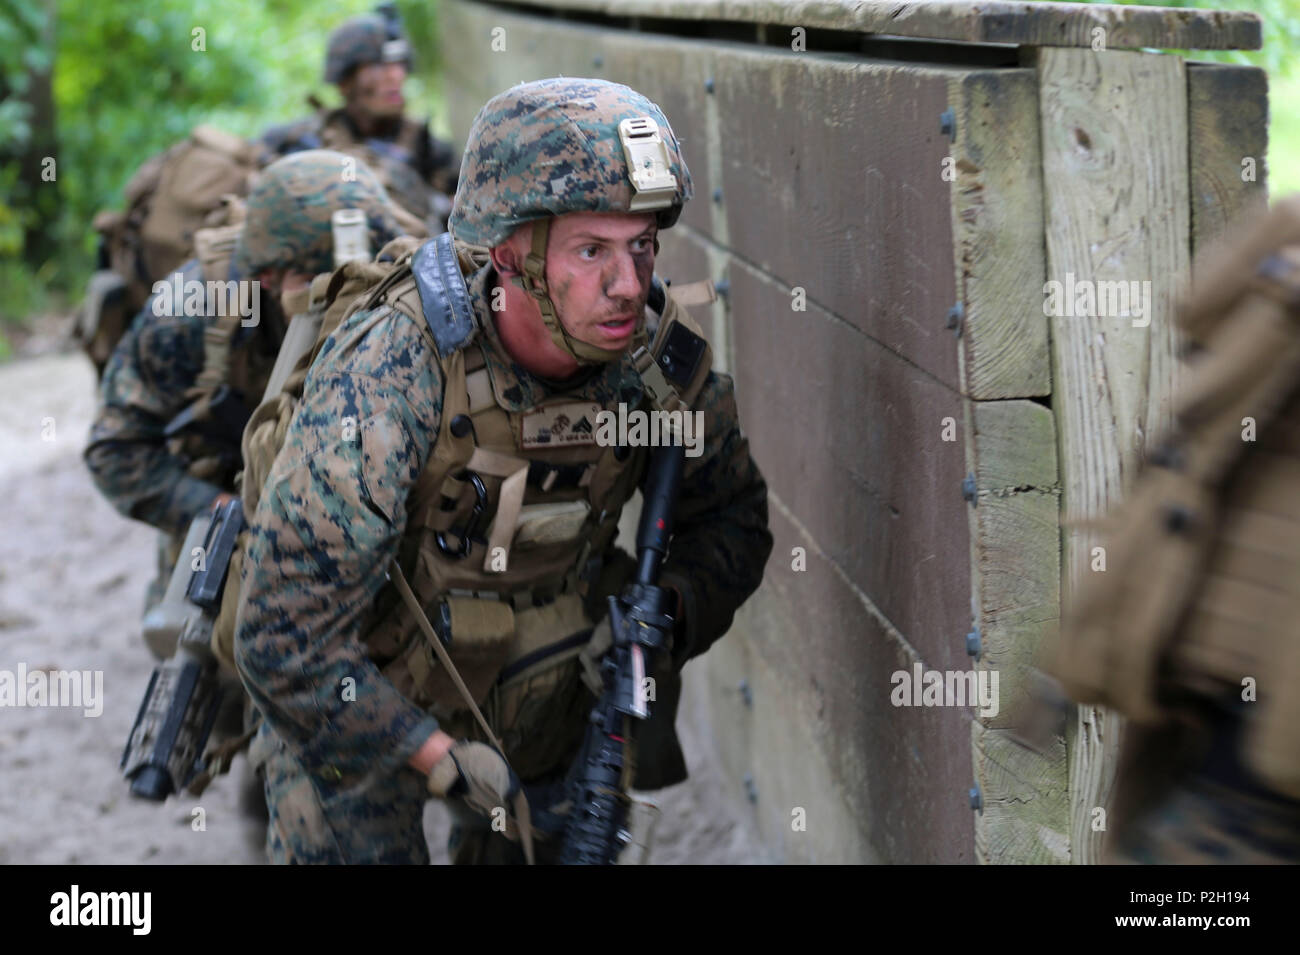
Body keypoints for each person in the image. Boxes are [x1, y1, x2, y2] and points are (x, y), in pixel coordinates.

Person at [234, 77, 774, 864]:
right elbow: (282, 639)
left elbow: (734, 520)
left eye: (642, 246)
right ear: (512, 256)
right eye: (592, 250)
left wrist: (666, 618)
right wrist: (435, 757)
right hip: (362, 697)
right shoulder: (394, 368)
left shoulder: (661, 364)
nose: (628, 285)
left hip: (548, 700)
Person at [85, 149, 413, 619]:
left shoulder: (400, 283)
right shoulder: (194, 307)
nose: (354, 291)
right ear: (269, 277)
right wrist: (222, 511)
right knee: (197, 643)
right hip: (229, 508)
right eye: (326, 281)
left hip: (358, 510)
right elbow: (115, 449)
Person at [260, 12, 459, 229]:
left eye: (398, 63)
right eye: (377, 65)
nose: (395, 75)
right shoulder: (300, 141)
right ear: (345, 82)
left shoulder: (427, 147)